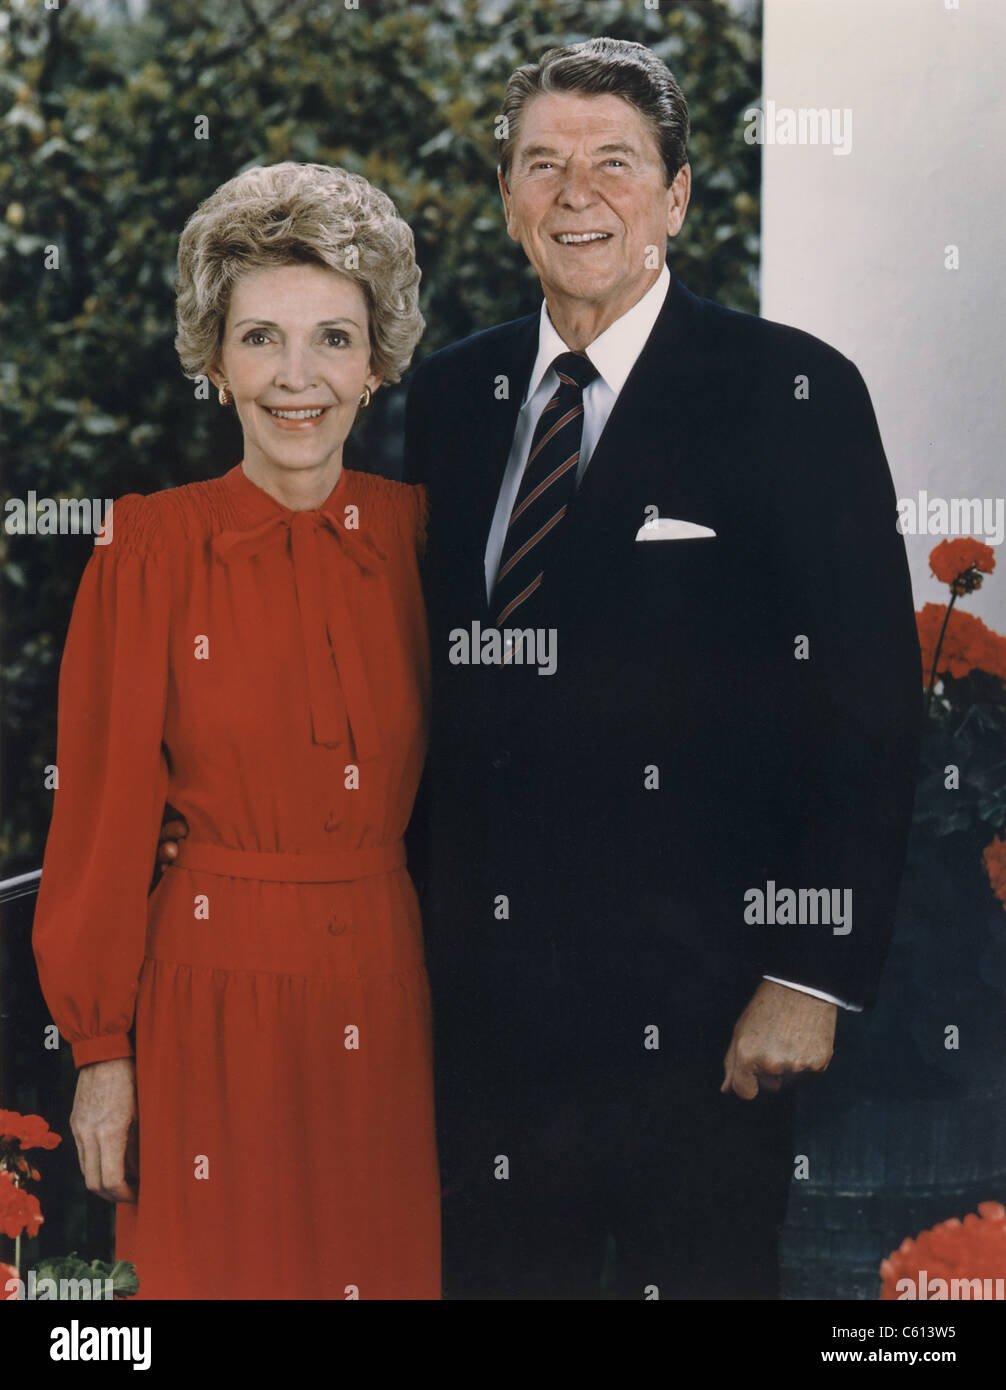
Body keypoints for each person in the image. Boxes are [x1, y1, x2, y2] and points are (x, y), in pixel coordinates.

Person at [402, 38, 922, 1299]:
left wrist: (807, 976)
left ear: (678, 195)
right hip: (480, 1009)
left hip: (702, 1009)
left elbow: (869, 703)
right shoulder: (446, 398)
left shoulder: (791, 390)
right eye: (544, 164)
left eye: (613, 164)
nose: (576, 193)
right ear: (509, 194)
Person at [32, 162, 440, 1300]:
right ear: (215, 360)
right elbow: (104, 819)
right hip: (205, 997)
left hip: (391, 993)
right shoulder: (147, 549)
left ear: (378, 360)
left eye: (334, 339)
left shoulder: (428, 543)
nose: (297, 377)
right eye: (261, 338)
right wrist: (101, 1052)